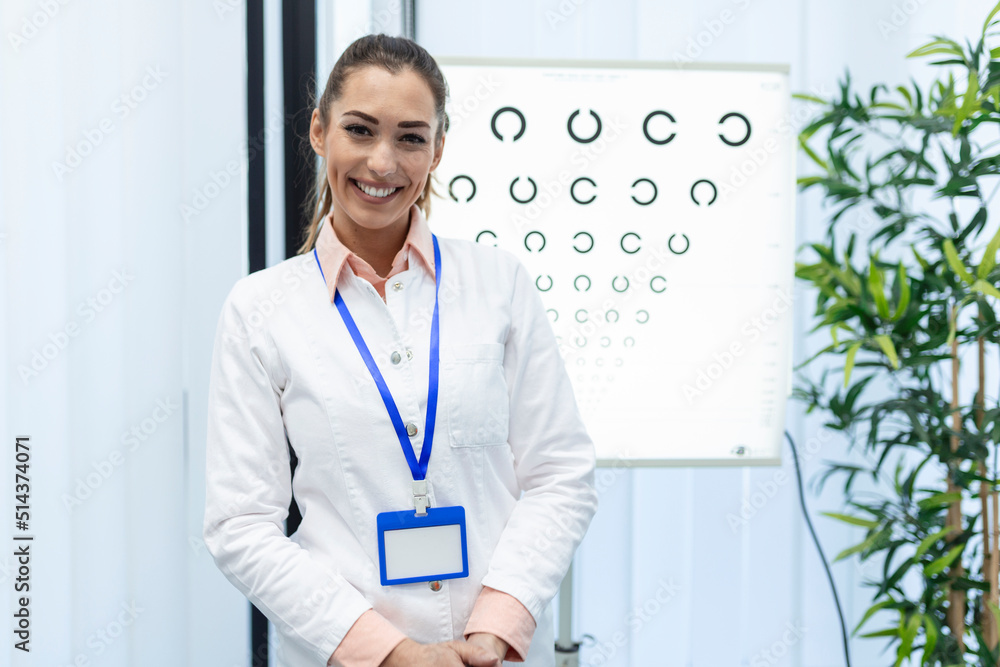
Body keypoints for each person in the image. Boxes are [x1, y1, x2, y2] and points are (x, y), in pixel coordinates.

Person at [203, 33, 598, 667]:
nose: (382, 162)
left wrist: (494, 629)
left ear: (437, 149)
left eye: (411, 138)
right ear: (318, 131)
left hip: (491, 655)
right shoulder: (260, 310)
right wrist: (392, 653)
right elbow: (240, 525)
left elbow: (560, 474)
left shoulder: (499, 284)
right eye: (359, 130)